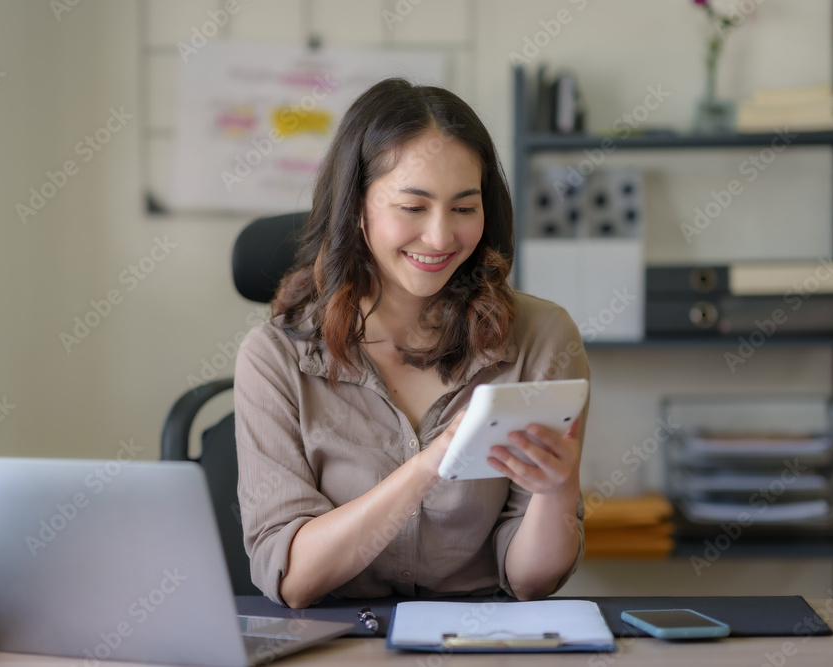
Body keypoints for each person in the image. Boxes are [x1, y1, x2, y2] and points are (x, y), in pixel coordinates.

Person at [235, 77, 589, 610]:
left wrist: (557, 488)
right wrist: (432, 464)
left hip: (478, 637)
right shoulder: (274, 358)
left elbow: (531, 581)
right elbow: (292, 579)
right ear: (356, 206)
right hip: (337, 641)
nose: (442, 237)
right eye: (413, 207)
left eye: (465, 208)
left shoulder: (543, 337)